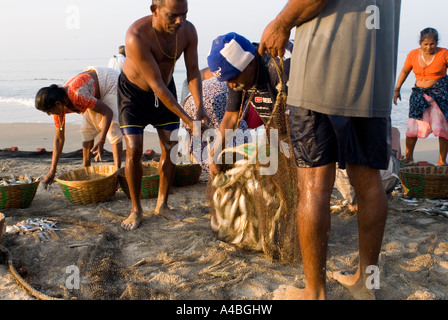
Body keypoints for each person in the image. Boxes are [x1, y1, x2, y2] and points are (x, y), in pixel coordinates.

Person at [259, 0, 401, 300]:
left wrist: (281, 24)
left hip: (320, 73)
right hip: (375, 76)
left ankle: (314, 292)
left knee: (313, 186)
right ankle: (366, 284)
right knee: (370, 183)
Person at [118, 0, 207, 230]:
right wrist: (189, 121)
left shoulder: (188, 31)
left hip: (166, 90)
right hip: (134, 95)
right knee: (134, 148)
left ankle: (162, 204)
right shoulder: (135, 36)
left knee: (171, 146)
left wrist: (199, 107)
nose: (180, 21)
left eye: (184, 14)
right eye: (173, 16)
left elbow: (192, 70)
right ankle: (136, 209)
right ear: (154, 10)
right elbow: (156, 85)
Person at [206, 32, 293, 175]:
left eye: (233, 78)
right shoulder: (237, 74)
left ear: (250, 62)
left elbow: (301, 122)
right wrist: (214, 155)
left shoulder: (280, 66)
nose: (232, 85)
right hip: (279, 129)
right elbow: (231, 117)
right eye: (227, 80)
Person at [35, 66, 123, 185]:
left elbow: (108, 112)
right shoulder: (59, 105)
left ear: (58, 104)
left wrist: (101, 140)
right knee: (87, 130)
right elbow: (59, 139)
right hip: (91, 93)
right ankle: (86, 170)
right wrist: (52, 170)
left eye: (48, 111)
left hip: (110, 83)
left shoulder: (76, 95)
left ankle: (116, 175)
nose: (49, 114)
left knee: (113, 128)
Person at [181, 67, 261, 173]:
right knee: (237, 136)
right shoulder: (240, 78)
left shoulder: (214, 71)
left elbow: (188, 81)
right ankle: (225, 167)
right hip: (219, 99)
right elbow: (234, 121)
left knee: (199, 137)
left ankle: (198, 163)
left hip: (192, 100)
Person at [394, 28, 448, 166]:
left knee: (442, 126)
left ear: (437, 43)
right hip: (419, 95)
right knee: (413, 126)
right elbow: (405, 71)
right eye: (426, 44)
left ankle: (442, 160)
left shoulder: (444, 53)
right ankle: (409, 158)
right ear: (420, 43)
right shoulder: (413, 54)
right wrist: (397, 89)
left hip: (439, 95)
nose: (429, 47)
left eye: (432, 44)